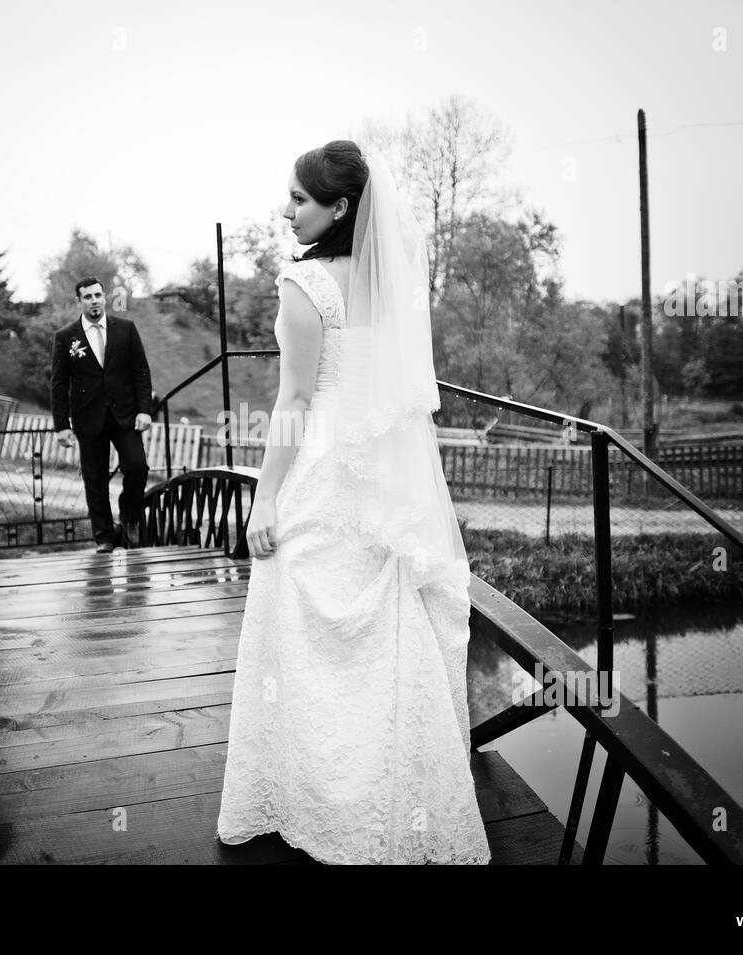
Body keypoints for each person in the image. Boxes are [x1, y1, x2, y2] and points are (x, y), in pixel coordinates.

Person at [216, 141, 491, 864]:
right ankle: (389, 797)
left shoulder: (304, 283)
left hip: (321, 470)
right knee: (379, 640)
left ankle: (311, 796)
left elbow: (297, 398)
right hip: (378, 481)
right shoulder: (384, 286)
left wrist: (265, 496)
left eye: (300, 199)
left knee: (302, 637)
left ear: (339, 209)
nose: (287, 210)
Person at [49, 276, 154, 553]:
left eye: (97, 295)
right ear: (79, 301)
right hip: (88, 418)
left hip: (125, 416)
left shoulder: (126, 329)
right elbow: (59, 384)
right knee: (94, 479)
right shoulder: (65, 337)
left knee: (137, 466)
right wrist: (62, 425)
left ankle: (129, 515)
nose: (94, 301)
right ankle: (105, 537)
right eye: (87, 297)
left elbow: (140, 372)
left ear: (104, 297)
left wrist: (145, 409)